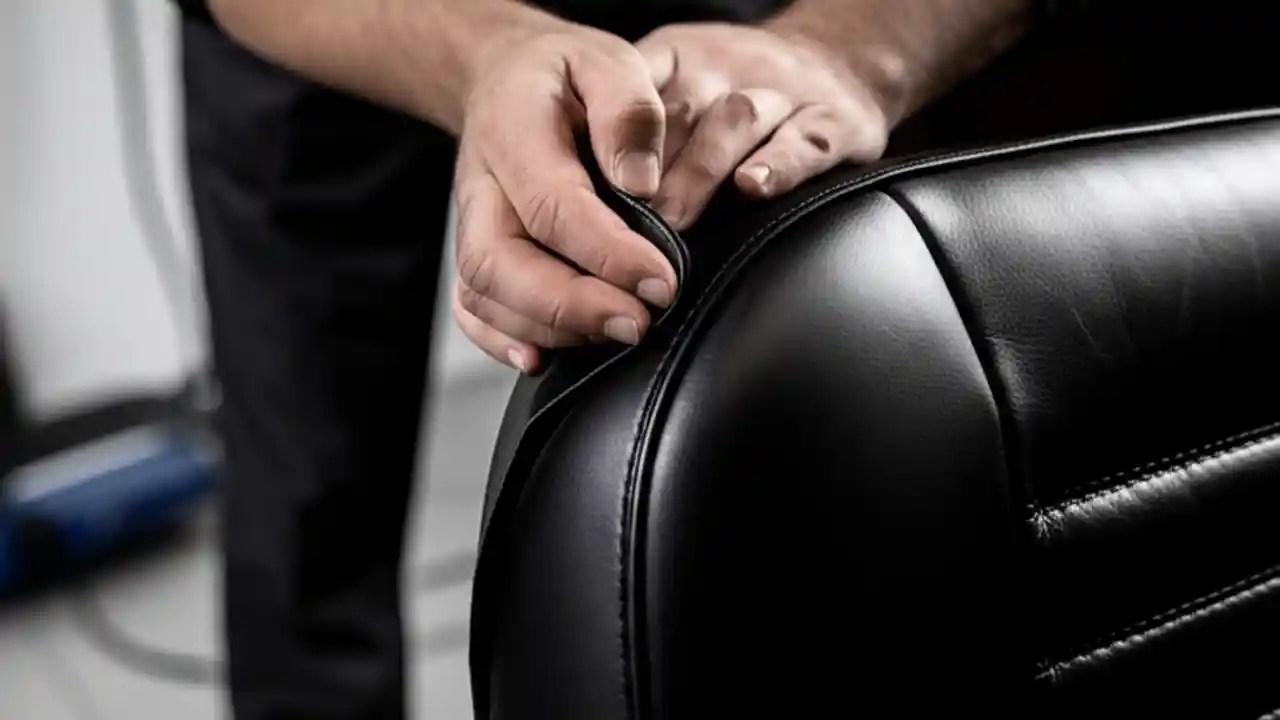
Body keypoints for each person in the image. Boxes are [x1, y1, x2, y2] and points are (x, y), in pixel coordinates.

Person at [174, 0, 1061, 717]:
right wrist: (491, 55)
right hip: (319, 46)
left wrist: (854, 49)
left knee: (784, 497)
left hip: (749, 31)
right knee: (305, 516)